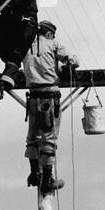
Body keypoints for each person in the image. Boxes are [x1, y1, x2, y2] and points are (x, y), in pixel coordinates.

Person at [22, 19, 79, 193]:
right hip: (50, 96)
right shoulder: (53, 43)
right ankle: (47, 179)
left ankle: (34, 174)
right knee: (49, 139)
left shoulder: (26, 46)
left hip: (32, 97)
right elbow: (73, 61)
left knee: (32, 137)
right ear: (49, 33)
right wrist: (62, 67)